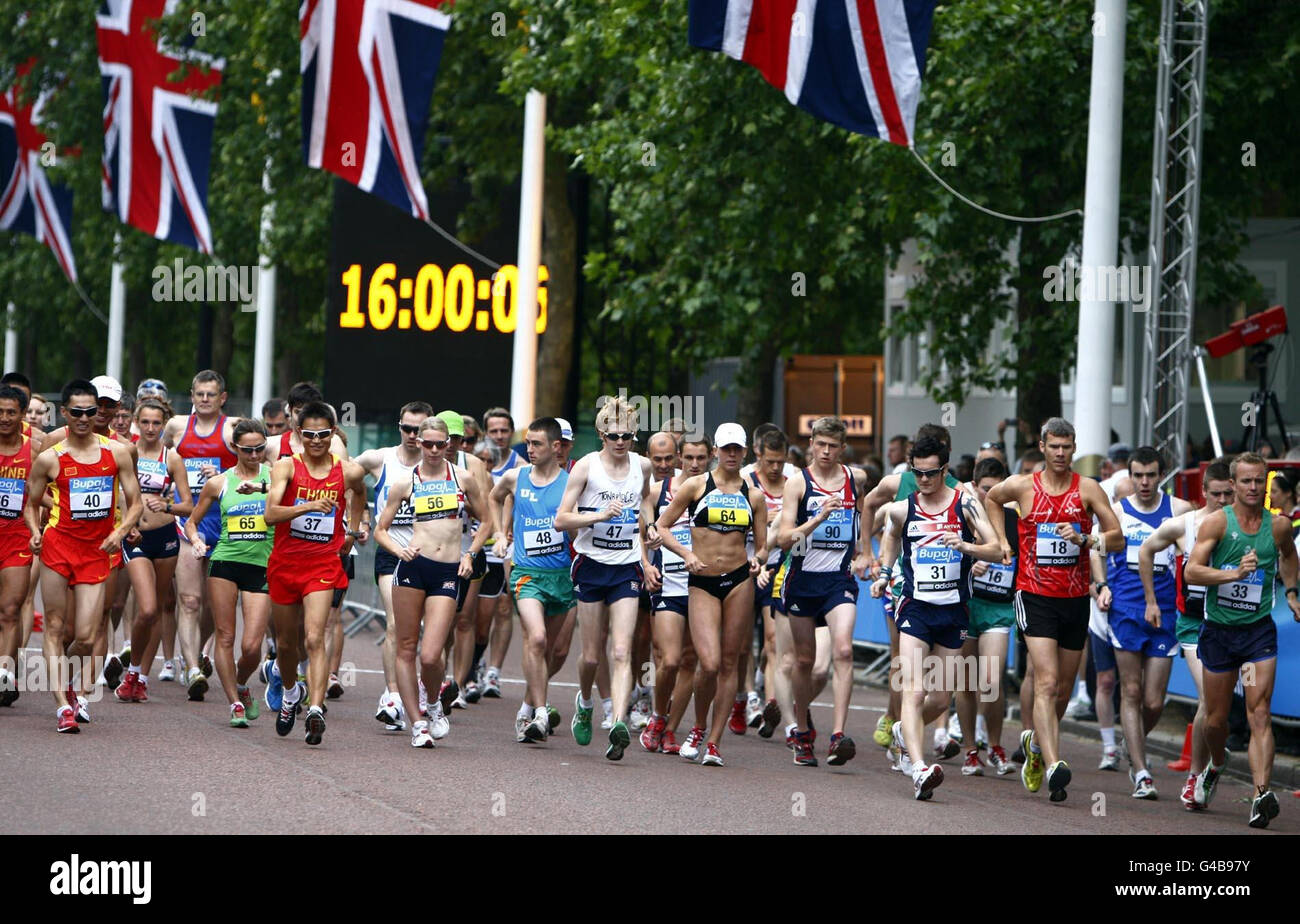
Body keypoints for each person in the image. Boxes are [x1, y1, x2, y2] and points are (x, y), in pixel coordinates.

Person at [983, 418, 1121, 803]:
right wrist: (999, 539)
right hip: (1034, 595)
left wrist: (1087, 538)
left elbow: (1118, 536)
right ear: (1042, 446)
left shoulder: (1088, 489)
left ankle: (1037, 749)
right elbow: (991, 498)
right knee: (1044, 681)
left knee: (1061, 689)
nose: (1061, 453)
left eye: (1067, 447)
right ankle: (1056, 765)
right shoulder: (1023, 486)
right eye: (1054, 446)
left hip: (1076, 598)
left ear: (1074, 448)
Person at [872, 435, 1002, 798]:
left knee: (941, 700)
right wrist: (884, 575)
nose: (924, 481)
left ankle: (902, 731)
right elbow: (890, 537)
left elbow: (996, 550)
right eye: (918, 473)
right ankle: (918, 768)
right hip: (915, 608)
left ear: (944, 470)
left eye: (930, 474)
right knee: (913, 690)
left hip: (954, 611)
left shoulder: (966, 505)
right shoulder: (903, 508)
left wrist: (966, 546)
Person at [1185, 452, 1300, 828]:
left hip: (1256, 635)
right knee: (1216, 721)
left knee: (1259, 712)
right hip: (1220, 634)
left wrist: (1292, 593)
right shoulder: (1218, 524)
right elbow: (1192, 572)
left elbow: (1288, 556)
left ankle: (1261, 794)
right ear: (1232, 485)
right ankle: (1217, 763)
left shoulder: (1279, 526)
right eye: (1246, 481)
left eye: (1259, 481)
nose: (1253, 488)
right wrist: (1232, 574)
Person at [24, 380, 143, 732]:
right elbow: (30, 506)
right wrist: (34, 532)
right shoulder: (50, 457)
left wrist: (119, 533)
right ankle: (62, 706)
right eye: (76, 412)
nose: (84, 418)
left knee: (88, 637)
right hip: (58, 546)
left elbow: (135, 504)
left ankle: (69, 683)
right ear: (64, 413)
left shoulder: (117, 453)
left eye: (90, 412)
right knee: (56, 627)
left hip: (96, 550)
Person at [653, 424, 767, 766]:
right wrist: (686, 555)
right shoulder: (695, 486)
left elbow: (762, 547)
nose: (732, 454)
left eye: (738, 449)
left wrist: (758, 562)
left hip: (738, 582)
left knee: (731, 662)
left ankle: (715, 742)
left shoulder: (754, 495)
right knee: (710, 662)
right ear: (716, 450)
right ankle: (698, 726)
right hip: (702, 580)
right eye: (726, 449)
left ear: (744, 452)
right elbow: (661, 526)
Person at [375, 416, 490, 748]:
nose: (436, 449)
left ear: (449, 444)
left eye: (442, 443)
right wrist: (400, 550)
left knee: (430, 655)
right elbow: (381, 531)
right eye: (429, 443)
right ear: (419, 443)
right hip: (413, 569)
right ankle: (417, 723)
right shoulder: (404, 482)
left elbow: (487, 521)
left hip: (447, 570)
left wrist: (470, 554)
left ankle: (435, 704)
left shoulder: (463, 478)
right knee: (406, 647)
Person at [554, 395, 654, 761]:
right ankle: (584, 701)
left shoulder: (641, 466)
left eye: (627, 435)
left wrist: (651, 527)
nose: (621, 441)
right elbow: (561, 519)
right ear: (600, 434)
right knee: (593, 656)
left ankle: (618, 722)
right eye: (614, 436)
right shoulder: (586, 468)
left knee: (622, 650)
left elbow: (644, 501)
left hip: (626, 565)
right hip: (591, 564)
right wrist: (595, 517)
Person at [1092, 446, 1194, 799]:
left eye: (1151, 475)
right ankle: (1141, 770)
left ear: (1161, 474)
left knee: (1154, 701)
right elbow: (1095, 549)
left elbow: (1194, 551)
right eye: (1138, 475)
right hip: (1125, 611)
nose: (1145, 482)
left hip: (1165, 613)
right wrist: (1101, 585)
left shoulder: (1180, 510)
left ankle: (1131, 741)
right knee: (1130, 691)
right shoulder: (1117, 512)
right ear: (1130, 476)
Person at [262, 401, 367, 745]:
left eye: (324, 434)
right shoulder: (285, 468)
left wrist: (350, 532)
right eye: (310, 435)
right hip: (285, 564)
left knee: (314, 637)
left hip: (322, 565)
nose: (317, 441)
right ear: (299, 434)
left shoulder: (347, 471)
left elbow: (360, 495)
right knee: (287, 644)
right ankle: (291, 692)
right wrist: (307, 505)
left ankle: (316, 708)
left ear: (334, 433)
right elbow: (271, 515)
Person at [1137, 458, 1233, 808]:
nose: (1223, 500)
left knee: (1220, 707)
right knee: (1209, 700)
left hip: (1233, 624)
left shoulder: (1246, 526)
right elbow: (1146, 550)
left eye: (1229, 493)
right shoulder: (1185, 525)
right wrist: (1151, 600)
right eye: (1217, 494)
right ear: (1203, 492)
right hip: (1194, 624)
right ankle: (1197, 776)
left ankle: (1212, 768)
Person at [778, 416, 871, 767]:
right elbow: (786, 538)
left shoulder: (854, 479)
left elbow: (864, 512)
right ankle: (801, 730)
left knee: (844, 651)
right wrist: (817, 518)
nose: (827, 452)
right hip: (803, 579)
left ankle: (837, 735)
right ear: (812, 444)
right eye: (821, 445)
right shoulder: (798, 484)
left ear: (843, 449)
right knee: (804, 661)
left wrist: (865, 552)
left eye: (833, 446)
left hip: (838, 580)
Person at [184, 419, 276, 727]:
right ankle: (234, 703)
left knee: (252, 646)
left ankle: (239, 682)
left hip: (261, 564)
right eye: (247, 450)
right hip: (224, 561)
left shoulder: (275, 478)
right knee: (225, 635)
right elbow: (191, 522)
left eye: (259, 449)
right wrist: (196, 541)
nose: (254, 455)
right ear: (234, 448)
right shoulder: (219, 483)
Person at [489, 417, 575, 743]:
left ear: (555, 447)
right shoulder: (516, 476)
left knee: (551, 651)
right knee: (536, 638)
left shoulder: (571, 482)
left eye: (536, 444)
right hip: (526, 573)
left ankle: (527, 708)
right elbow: (494, 497)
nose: (530, 449)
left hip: (561, 575)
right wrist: (500, 531)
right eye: (527, 443)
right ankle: (541, 712)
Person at [352, 401, 433, 730]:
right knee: (396, 624)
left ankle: (425, 692)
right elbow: (340, 476)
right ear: (399, 426)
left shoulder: (442, 464)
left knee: (428, 633)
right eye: (407, 429)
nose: (413, 436)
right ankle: (393, 695)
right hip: (391, 552)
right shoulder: (378, 459)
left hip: (430, 555)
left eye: (420, 430)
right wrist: (361, 517)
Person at [162, 371, 240, 700]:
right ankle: (192, 667)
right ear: (191, 396)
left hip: (225, 525)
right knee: (189, 600)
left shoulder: (234, 428)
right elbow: (160, 454)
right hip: (188, 523)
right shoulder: (177, 428)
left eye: (211, 394)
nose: (205, 399)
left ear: (222, 398)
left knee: (214, 605)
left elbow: (256, 461)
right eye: (199, 394)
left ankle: (202, 651)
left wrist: (223, 474)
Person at [115, 398, 192, 704]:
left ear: (164, 425)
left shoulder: (171, 458)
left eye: (156, 423)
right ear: (136, 422)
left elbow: (188, 504)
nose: (150, 428)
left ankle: (139, 677)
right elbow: (113, 489)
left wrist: (168, 505)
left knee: (158, 607)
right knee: (145, 608)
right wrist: (124, 524)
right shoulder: (125, 452)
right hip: (135, 537)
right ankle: (130, 668)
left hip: (165, 538)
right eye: (144, 422)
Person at [639, 431, 709, 754]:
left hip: (703, 587)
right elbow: (642, 533)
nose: (694, 464)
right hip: (670, 582)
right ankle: (657, 714)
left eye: (701, 458)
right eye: (689, 458)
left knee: (690, 660)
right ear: (680, 457)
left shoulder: (719, 491)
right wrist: (646, 564)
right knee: (668, 659)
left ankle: (669, 729)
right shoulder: (658, 491)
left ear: (711, 458)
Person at [960, 457, 1018, 776]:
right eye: (986, 489)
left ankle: (994, 745)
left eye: (998, 489)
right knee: (967, 683)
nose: (991, 495)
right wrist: (971, 563)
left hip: (999, 608)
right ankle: (971, 749)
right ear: (975, 486)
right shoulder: (962, 516)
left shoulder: (1013, 520)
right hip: (966, 607)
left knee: (992, 681)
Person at [0, 386, 35, 704]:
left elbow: (47, 494)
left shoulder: (34, 450)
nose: (5, 418)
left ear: (22, 415)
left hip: (17, 538)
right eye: (0, 412)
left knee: (10, 610)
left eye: (11, 412)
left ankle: (5, 674)